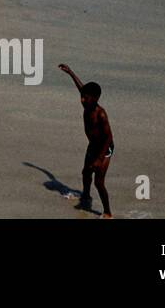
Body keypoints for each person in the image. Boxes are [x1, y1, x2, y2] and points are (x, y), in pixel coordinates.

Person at [58, 64, 114, 218]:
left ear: (94, 99)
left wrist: (100, 158)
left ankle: (108, 212)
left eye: (85, 98)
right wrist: (70, 72)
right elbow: (81, 88)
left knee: (99, 182)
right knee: (85, 173)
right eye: (82, 97)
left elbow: (109, 137)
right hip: (93, 145)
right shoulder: (88, 104)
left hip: (105, 148)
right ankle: (86, 196)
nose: (82, 100)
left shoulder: (100, 114)